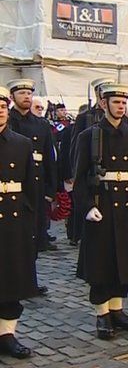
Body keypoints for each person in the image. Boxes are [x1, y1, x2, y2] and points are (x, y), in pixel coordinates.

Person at [73, 83, 128, 340]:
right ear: (104, 104)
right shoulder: (90, 136)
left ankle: (117, 309)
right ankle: (102, 313)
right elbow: (80, 177)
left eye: (123, 103)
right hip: (101, 203)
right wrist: (88, 206)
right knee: (101, 261)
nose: (120, 107)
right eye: (115, 102)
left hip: (125, 204)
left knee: (122, 259)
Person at [0, 86, 39, 358]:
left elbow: (30, 188)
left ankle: (7, 334)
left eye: (2, 107)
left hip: (14, 220)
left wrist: (33, 226)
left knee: (11, 278)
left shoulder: (21, 143)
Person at [6, 79, 57, 252]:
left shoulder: (41, 124)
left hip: (37, 182)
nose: (26, 96)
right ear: (12, 97)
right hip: (12, 182)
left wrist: (51, 189)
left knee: (35, 233)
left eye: (29, 93)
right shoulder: (8, 122)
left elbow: (49, 157)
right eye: (22, 93)